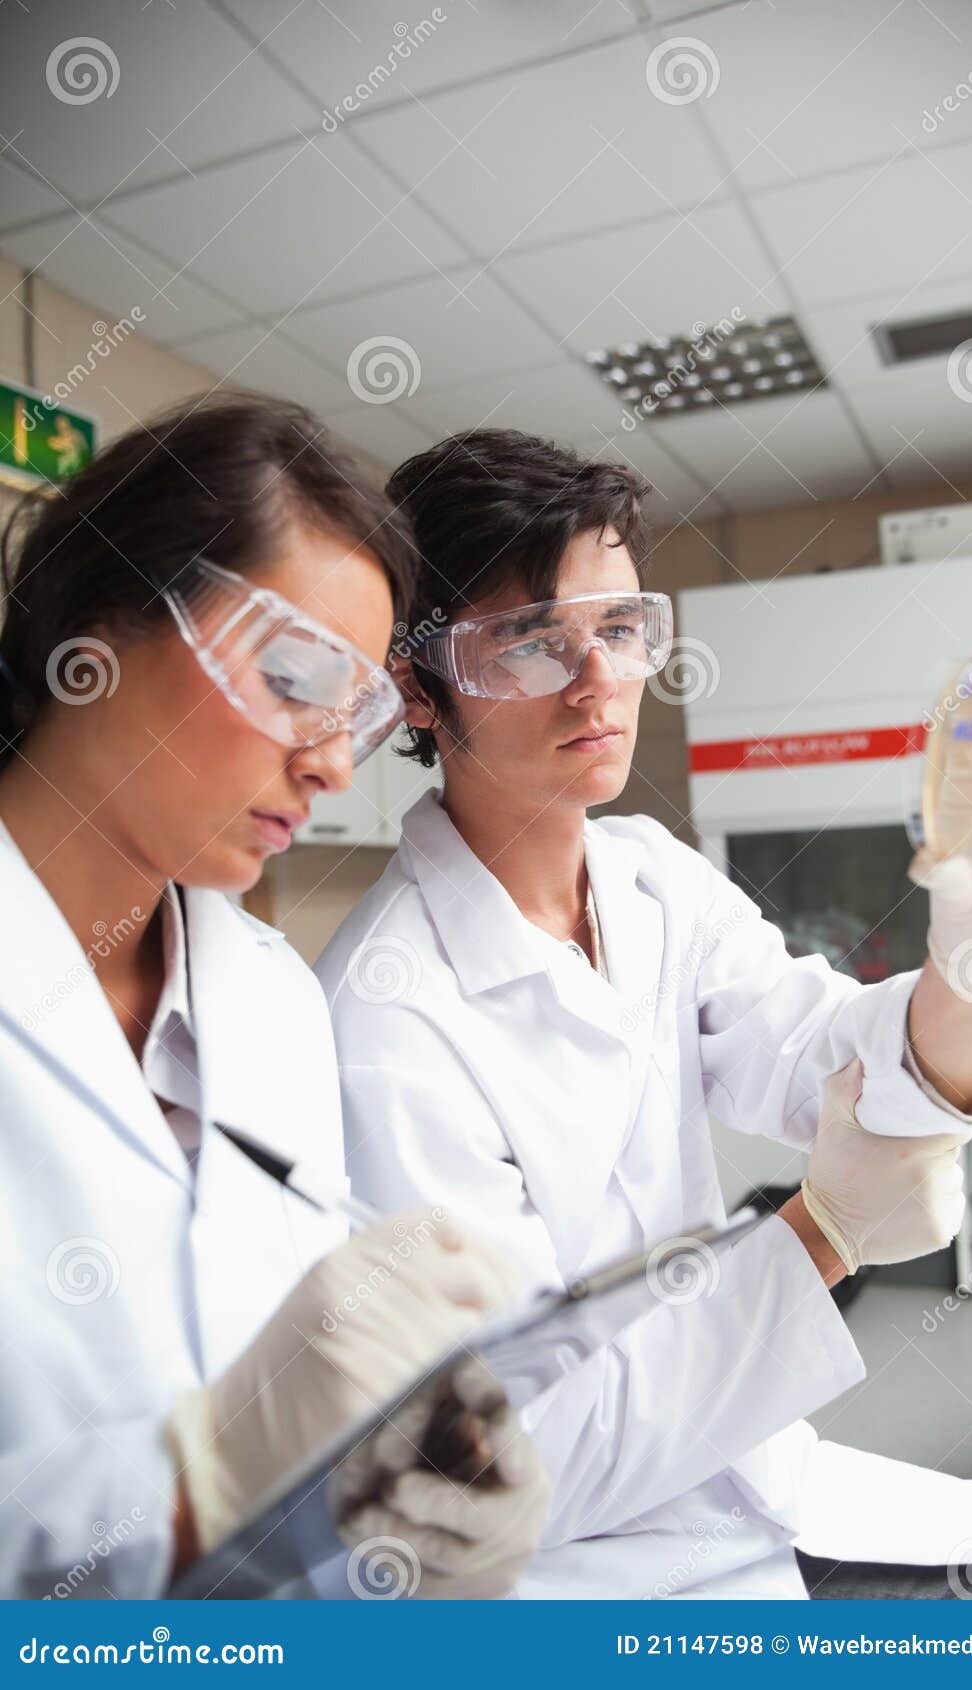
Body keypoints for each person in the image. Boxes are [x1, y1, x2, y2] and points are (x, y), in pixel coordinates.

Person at [317, 428, 972, 1600]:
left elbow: (819, 1051)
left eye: (619, 629)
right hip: (579, 1577)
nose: (595, 681)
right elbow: (516, 1454)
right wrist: (823, 1232)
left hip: (746, 1475)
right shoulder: (384, 1021)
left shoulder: (648, 874)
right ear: (415, 682)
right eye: (525, 641)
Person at [0, 397, 550, 1601]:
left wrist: (403, 1480)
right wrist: (193, 1480)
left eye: (353, 706)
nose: (331, 760)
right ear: (92, 631)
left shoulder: (272, 1000)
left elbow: (296, 1381)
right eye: (291, 676)